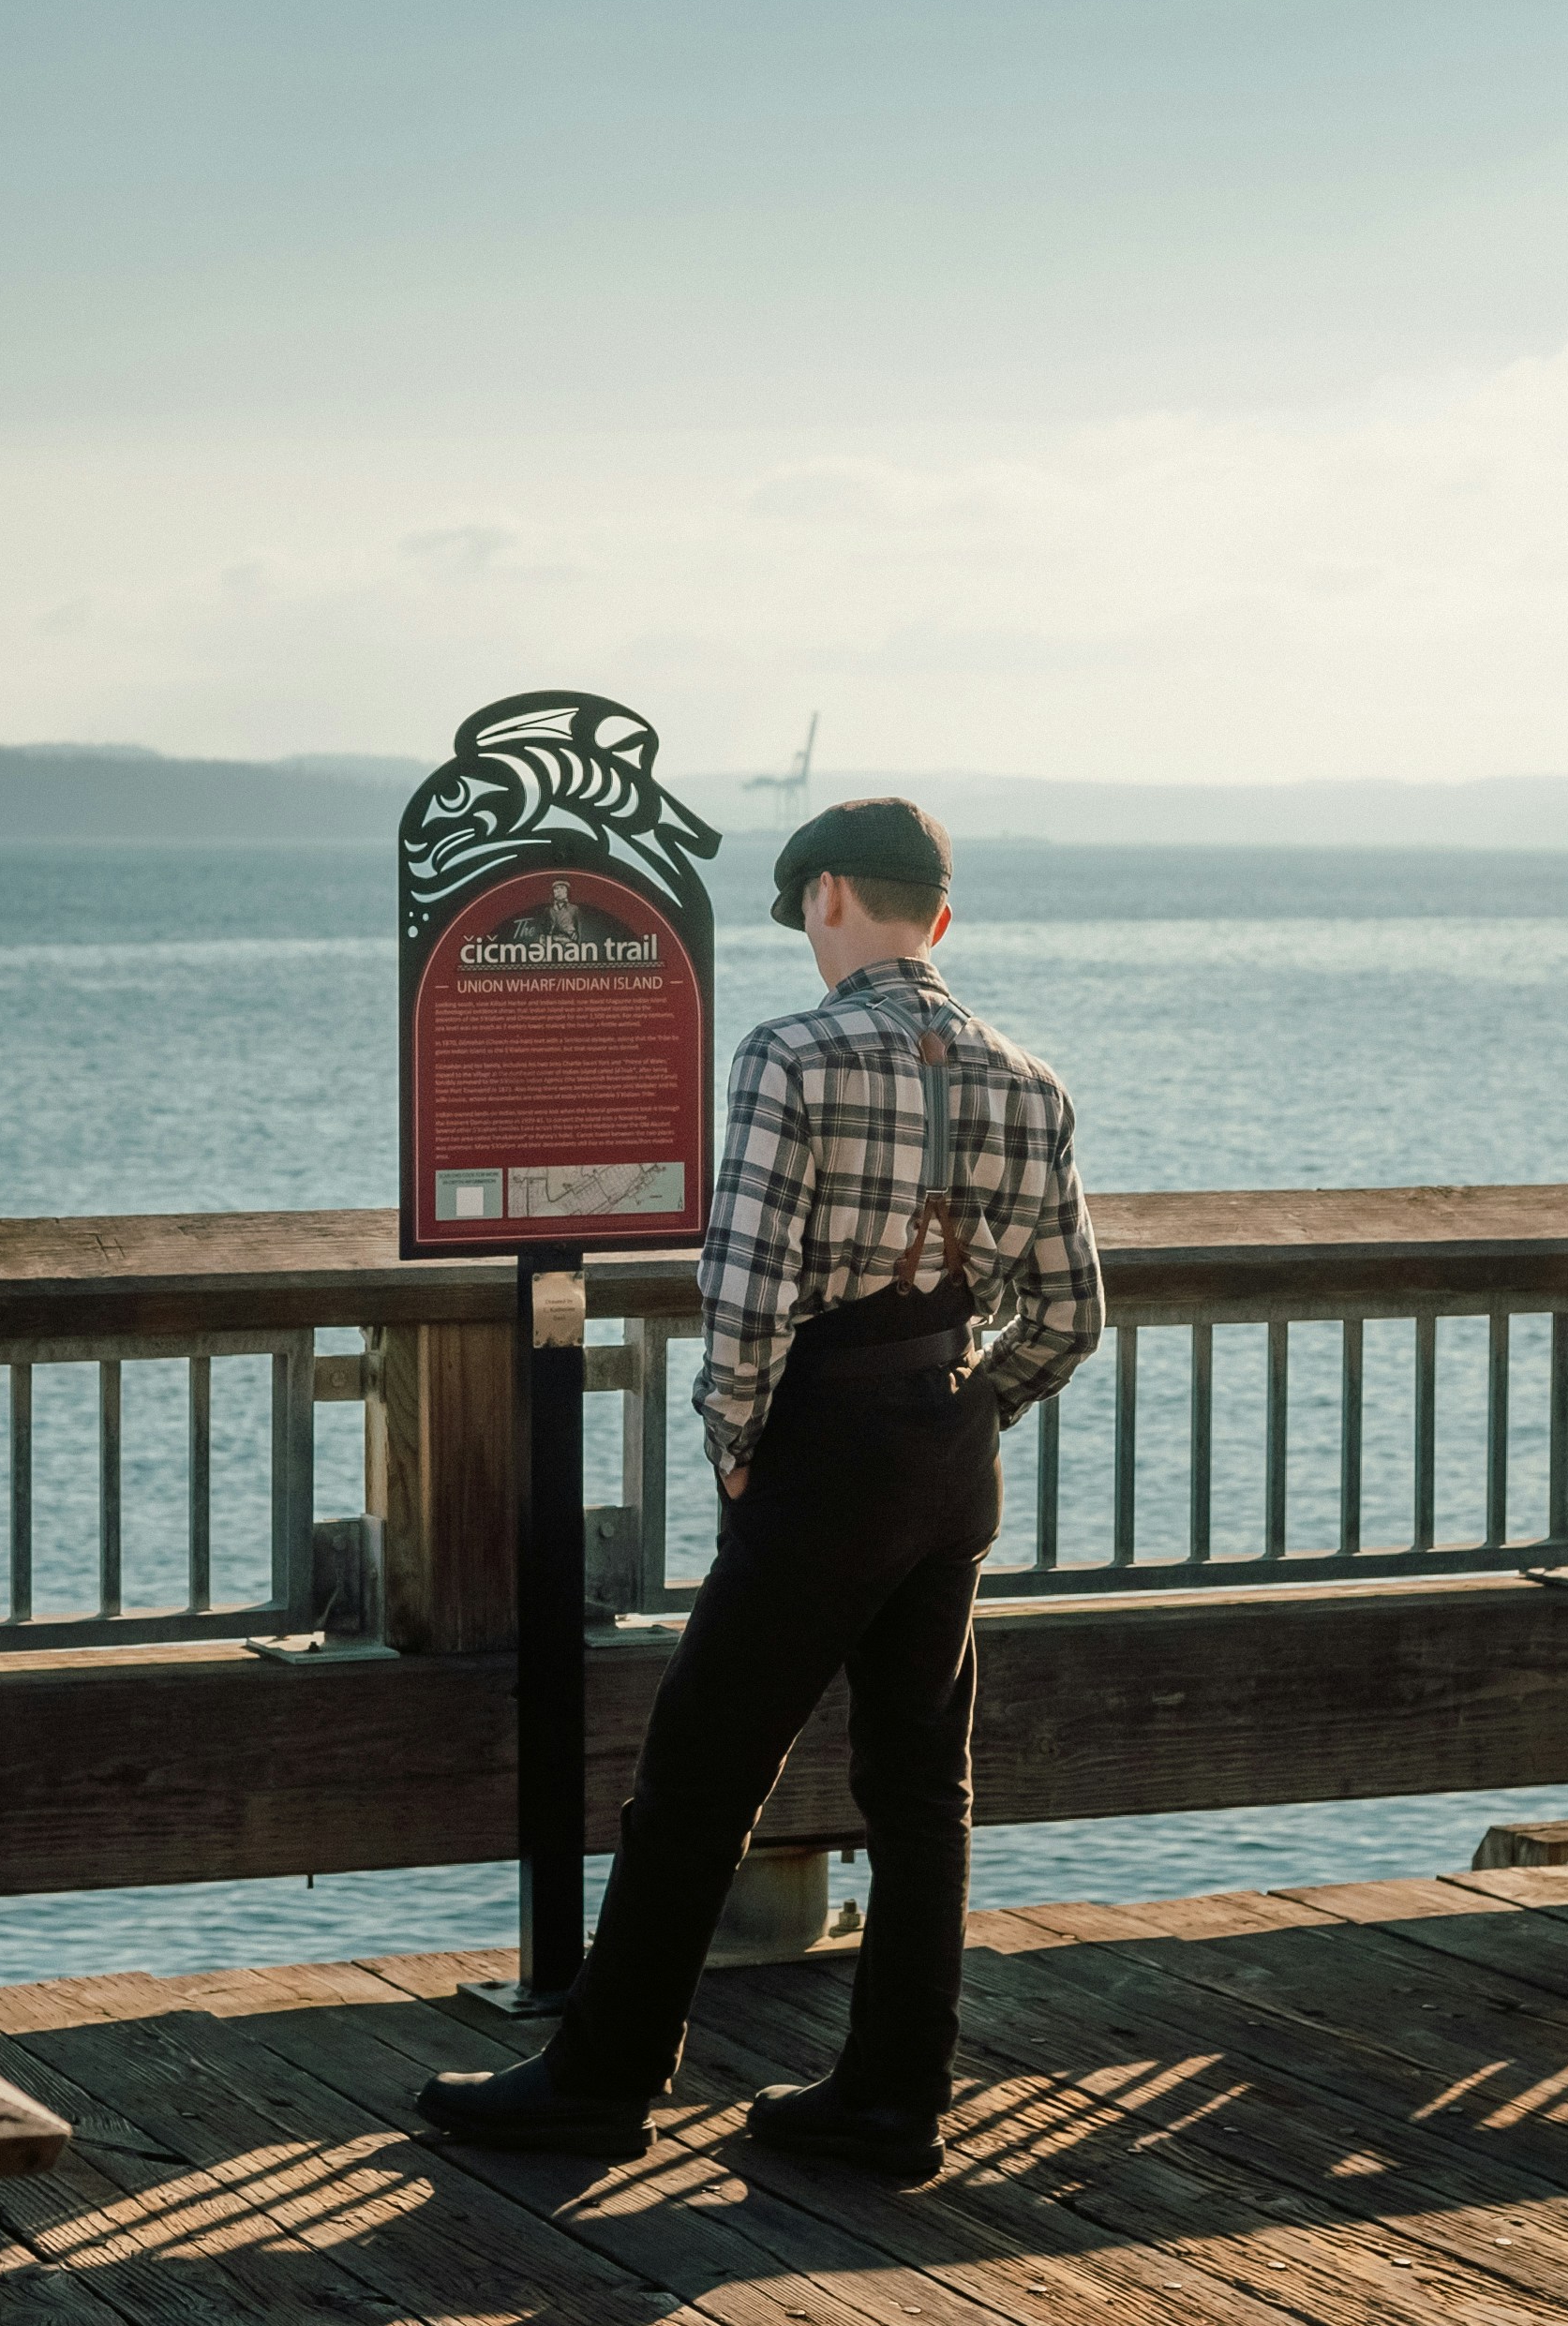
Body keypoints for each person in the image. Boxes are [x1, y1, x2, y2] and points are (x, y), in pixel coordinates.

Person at [414, 796, 1103, 2182]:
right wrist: (975, 1406)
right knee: (923, 1791)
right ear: (942, 914)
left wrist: (735, 1441)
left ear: (831, 895)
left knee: (701, 1777)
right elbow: (1072, 1314)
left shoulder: (790, 1054)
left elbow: (746, 1290)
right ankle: (893, 2098)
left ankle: (603, 2081)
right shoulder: (1031, 1079)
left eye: (804, 913)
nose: (804, 937)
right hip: (947, 1455)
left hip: (824, 1451)